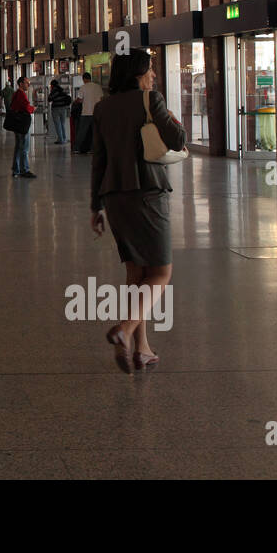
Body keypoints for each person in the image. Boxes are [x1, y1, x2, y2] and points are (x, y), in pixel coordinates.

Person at [89, 49, 186, 373]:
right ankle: (125, 330)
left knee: (135, 275)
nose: (154, 76)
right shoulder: (150, 99)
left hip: (115, 198)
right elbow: (177, 140)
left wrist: (95, 205)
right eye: (150, 70)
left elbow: (98, 159)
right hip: (147, 194)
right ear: (137, 74)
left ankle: (141, 349)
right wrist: (170, 117)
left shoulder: (103, 108)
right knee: (160, 273)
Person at [9, 77, 36, 178]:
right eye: (26, 83)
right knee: (24, 147)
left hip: (17, 122)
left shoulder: (16, 93)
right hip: (22, 123)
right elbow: (26, 107)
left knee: (19, 146)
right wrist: (33, 108)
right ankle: (24, 169)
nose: (28, 85)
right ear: (21, 84)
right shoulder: (20, 94)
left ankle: (16, 169)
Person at [74, 72, 103, 154]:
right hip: (96, 113)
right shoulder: (97, 87)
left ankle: (77, 148)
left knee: (82, 131)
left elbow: (79, 100)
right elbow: (101, 99)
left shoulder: (83, 87)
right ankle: (93, 149)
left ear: (84, 79)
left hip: (86, 113)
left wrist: (75, 102)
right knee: (95, 132)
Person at [48, 79, 72, 145]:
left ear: (52, 85)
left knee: (58, 125)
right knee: (62, 124)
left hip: (56, 109)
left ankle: (61, 140)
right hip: (63, 108)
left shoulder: (54, 91)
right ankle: (64, 138)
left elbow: (49, 99)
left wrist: (51, 92)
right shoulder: (62, 90)